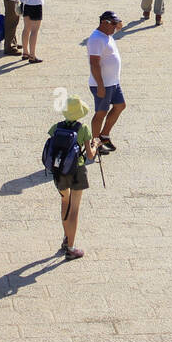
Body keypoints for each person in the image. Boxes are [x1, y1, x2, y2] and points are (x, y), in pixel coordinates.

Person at [49, 95, 100, 260]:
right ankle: (71, 247)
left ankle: (65, 238)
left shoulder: (56, 127)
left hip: (60, 171)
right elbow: (90, 155)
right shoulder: (83, 129)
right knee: (75, 209)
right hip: (77, 170)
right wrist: (96, 144)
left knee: (65, 202)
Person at [87, 10, 125, 152]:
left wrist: (117, 22)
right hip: (103, 84)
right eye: (113, 24)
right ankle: (95, 143)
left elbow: (120, 26)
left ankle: (104, 135)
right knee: (101, 113)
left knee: (120, 105)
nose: (116, 27)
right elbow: (94, 64)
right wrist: (100, 86)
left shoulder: (107, 33)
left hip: (113, 83)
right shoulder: (96, 39)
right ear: (104, 23)